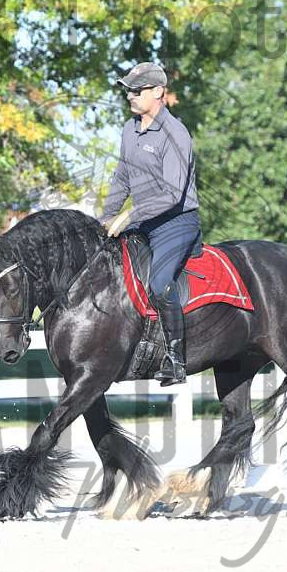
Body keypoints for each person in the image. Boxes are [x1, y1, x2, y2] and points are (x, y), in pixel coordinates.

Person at [100, 61, 201, 386]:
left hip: (176, 222)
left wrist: (129, 215)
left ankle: (176, 360)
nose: (130, 95)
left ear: (158, 92)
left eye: (136, 90)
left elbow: (172, 193)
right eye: (128, 90)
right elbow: (122, 178)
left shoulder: (176, 133)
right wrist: (105, 217)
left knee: (159, 283)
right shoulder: (129, 129)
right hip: (144, 220)